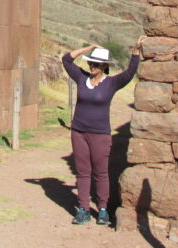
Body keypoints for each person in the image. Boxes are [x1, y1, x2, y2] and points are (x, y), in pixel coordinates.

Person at [61, 37, 144, 226]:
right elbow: (66, 60)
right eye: (91, 63)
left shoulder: (111, 83)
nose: (93, 66)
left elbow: (130, 72)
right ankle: (83, 209)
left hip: (100, 134)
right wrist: (88, 48)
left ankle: (103, 210)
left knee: (100, 172)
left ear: (104, 66)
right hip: (79, 132)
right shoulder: (81, 78)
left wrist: (136, 51)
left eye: (97, 64)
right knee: (83, 172)